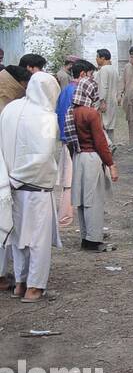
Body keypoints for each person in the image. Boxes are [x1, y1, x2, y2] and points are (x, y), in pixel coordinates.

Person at [0, 71, 62, 302]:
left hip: (10, 185)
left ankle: (20, 282)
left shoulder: (10, 110)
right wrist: (22, 176)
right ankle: (35, 286)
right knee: (38, 239)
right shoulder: (46, 116)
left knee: (18, 236)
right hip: (35, 186)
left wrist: (10, 177)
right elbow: (44, 154)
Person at [69, 74, 119, 252]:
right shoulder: (91, 113)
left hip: (78, 156)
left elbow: (69, 140)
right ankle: (93, 240)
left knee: (82, 200)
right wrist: (111, 164)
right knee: (94, 201)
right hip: (91, 158)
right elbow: (101, 142)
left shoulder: (72, 111)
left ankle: (85, 236)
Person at [56, 60, 95, 228]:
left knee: (70, 179)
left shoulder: (65, 90)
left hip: (68, 139)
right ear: (83, 74)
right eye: (90, 75)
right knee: (70, 180)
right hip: (76, 141)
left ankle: (69, 214)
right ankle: (66, 216)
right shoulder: (76, 91)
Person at [93, 49, 121, 140]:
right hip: (113, 100)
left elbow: (103, 86)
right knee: (110, 125)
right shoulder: (114, 69)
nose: (96, 59)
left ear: (103, 58)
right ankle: (110, 144)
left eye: (97, 57)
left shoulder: (104, 69)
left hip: (105, 100)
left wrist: (102, 101)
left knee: (102, 124)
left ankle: (107, 145)